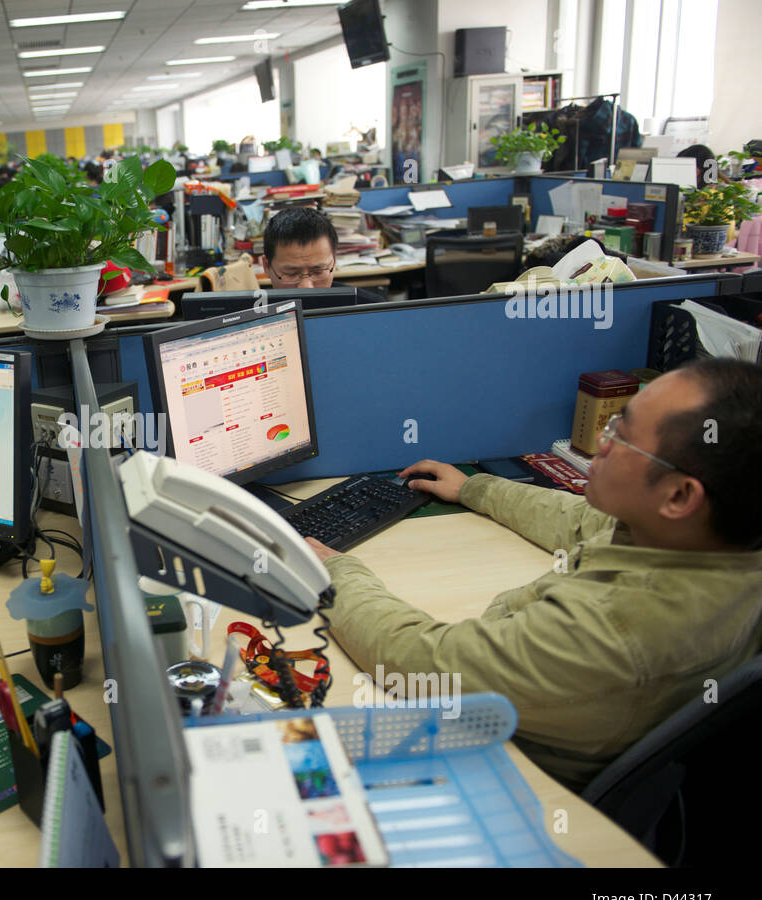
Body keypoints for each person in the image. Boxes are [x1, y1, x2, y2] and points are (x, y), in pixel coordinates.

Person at [305, 359, 762, 792]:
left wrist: (334, 572)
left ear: (680, 496)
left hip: (515, 776)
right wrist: (474, 488)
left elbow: (421, 661)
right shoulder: (706, 543)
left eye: (620, 435)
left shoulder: (612, 629)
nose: (601, 443)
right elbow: (580, 520)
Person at [261, 207, 387, 304]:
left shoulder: (370, 310)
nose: (306, 287)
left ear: (334, 261)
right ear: (267, 266)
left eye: (318, 272)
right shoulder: (251, 316)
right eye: (291, 274)